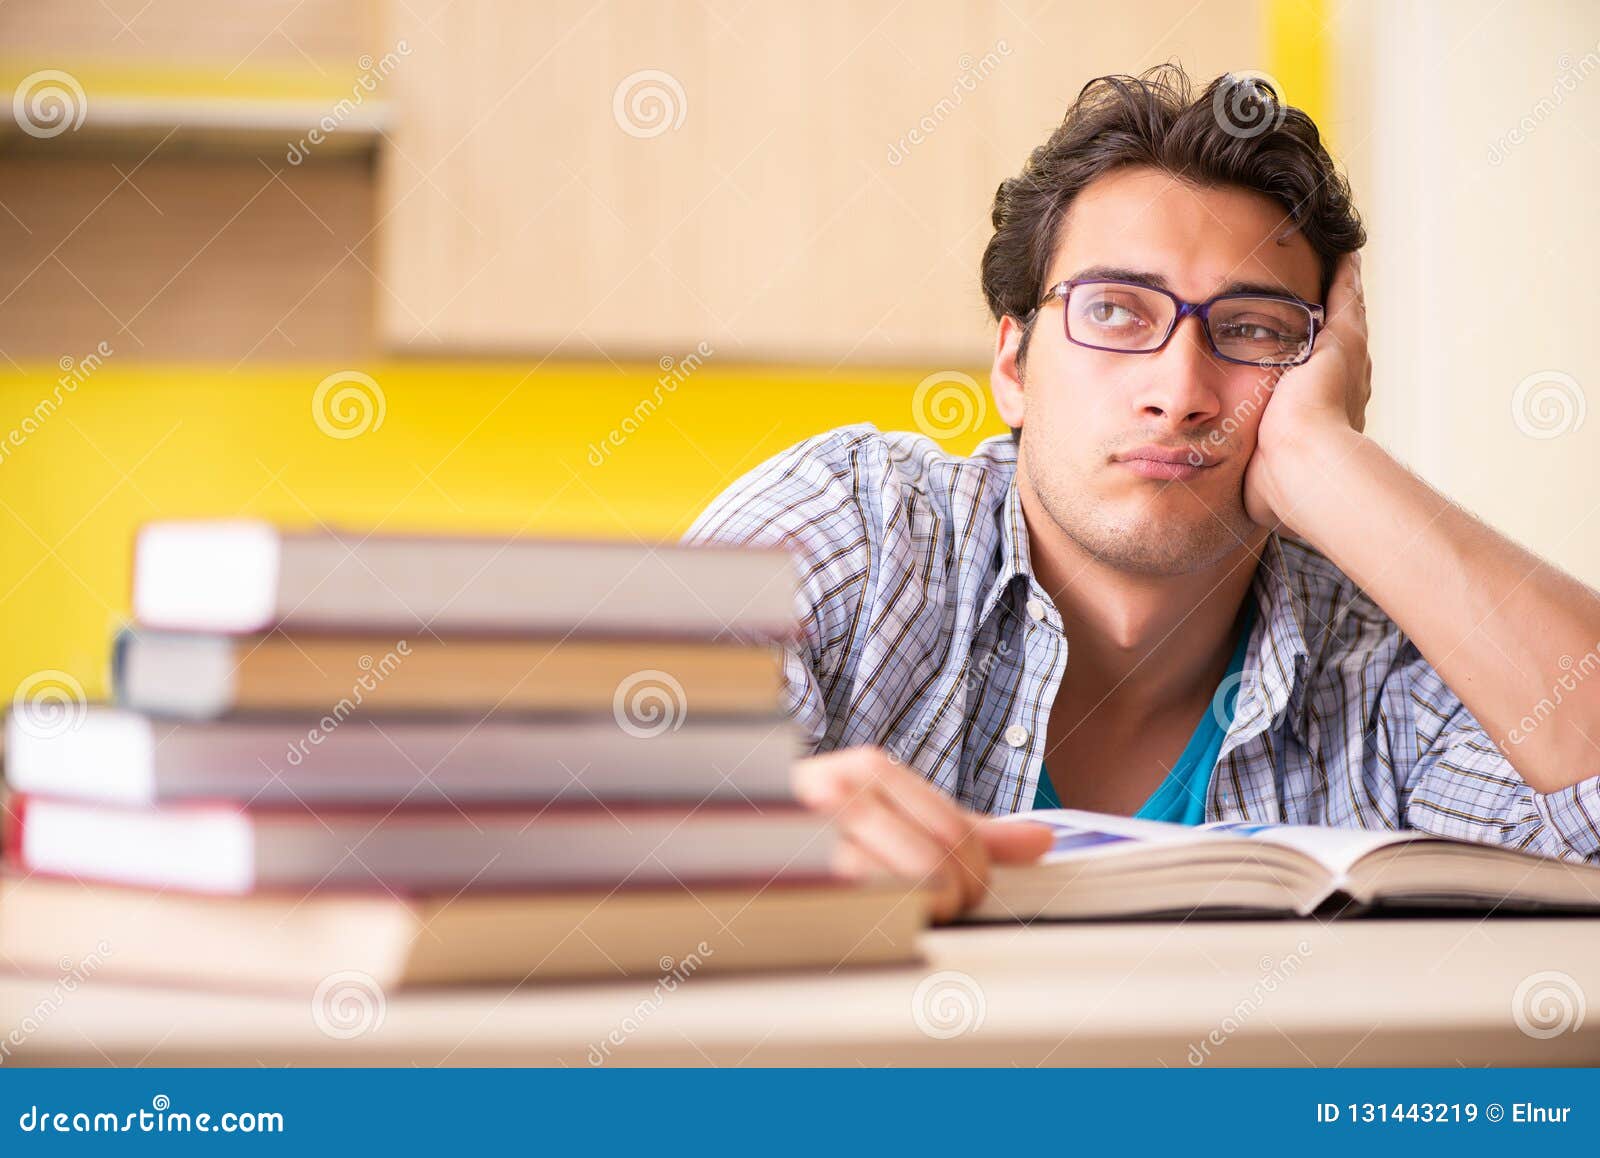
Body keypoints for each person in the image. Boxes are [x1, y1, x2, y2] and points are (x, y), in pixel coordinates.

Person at [685, 65, 1600, 921]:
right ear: (1013, 363)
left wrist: (1329, 460)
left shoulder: (1387, 653)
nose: (1181, 390)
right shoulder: (861, 528)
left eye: (1254, 330)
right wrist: (727, 840)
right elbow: (582, 800)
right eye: (1116, 310)